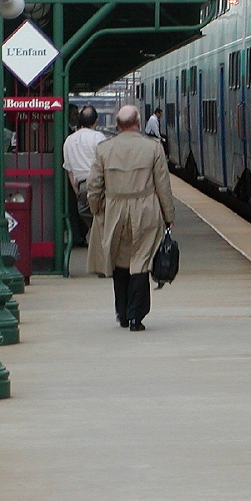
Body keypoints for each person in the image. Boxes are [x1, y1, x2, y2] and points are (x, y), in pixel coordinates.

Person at [86, 105, 176, 332]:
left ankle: (122, 313)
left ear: (117, 125)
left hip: (114, 208)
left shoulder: (104, 149)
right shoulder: (153, 148)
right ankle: (137, 316)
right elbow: (163, 186)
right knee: (141, 261)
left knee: (119, 261)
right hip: (145, 208)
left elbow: (94, 185)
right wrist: (168, 216)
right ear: (138, 122)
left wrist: (97, 208)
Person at [62, 106, 106, 239]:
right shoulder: (99, 137)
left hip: (81, 186)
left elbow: (69, 171)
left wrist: (77, 191)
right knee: (102, 218)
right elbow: (105, 163)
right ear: (95, 121)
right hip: (99, 184)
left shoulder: (69, 140)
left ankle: (95, 238)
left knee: (90, 219)